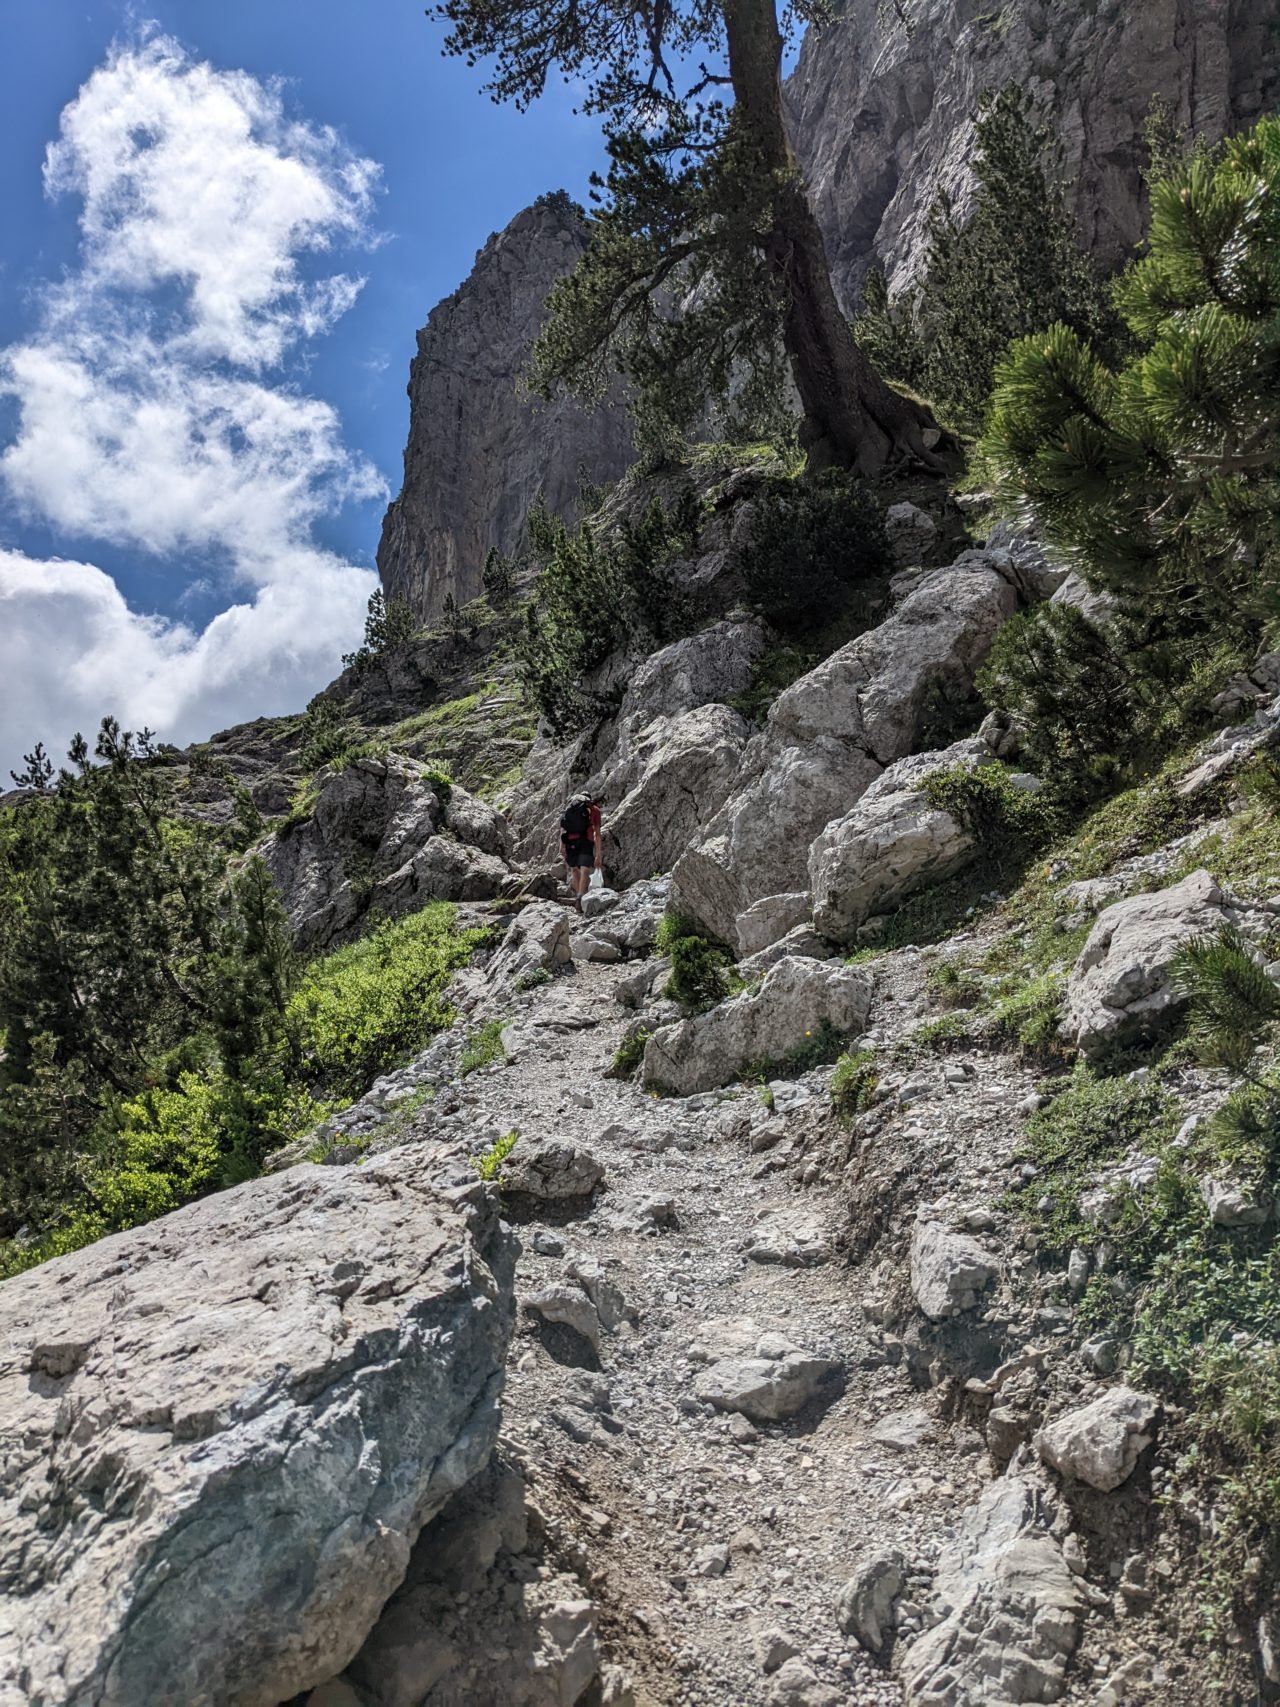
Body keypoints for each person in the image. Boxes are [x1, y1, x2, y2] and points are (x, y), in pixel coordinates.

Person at [560, 793, 603, 908]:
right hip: (586, 841)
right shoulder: (594, 810)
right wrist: (598, 854)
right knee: (585, 870)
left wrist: (562, 846)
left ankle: (578, 898)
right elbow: (597, 834)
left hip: (570, 841)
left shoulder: (570, 809)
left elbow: (564, 829)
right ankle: (580, 897)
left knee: (574, 870)